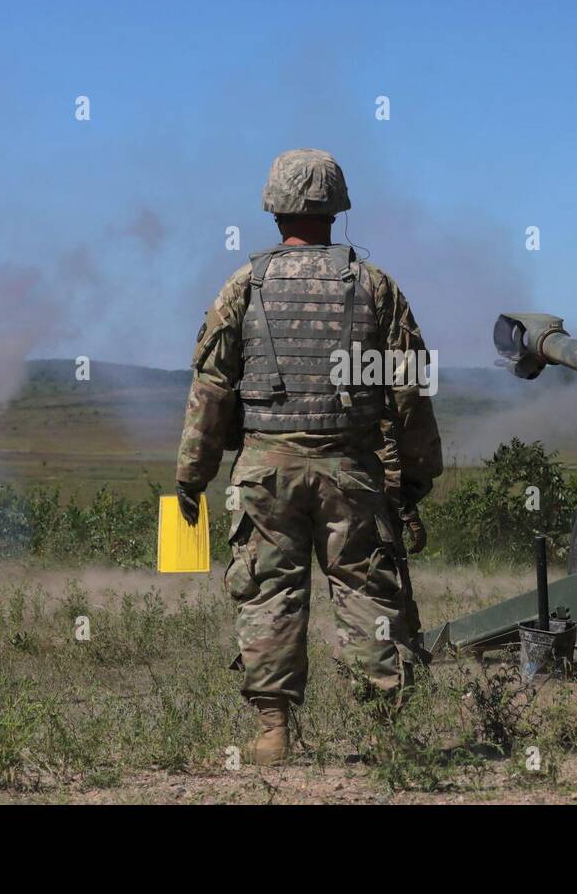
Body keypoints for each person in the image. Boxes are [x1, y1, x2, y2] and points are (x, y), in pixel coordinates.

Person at [175, 149, 442, 763]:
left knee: (269, 594)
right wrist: (414, 477)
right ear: (338, 208)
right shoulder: (374, 286)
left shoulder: (244, 286)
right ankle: (384, 734)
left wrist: (192, 475)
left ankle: (274, 732)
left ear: (273, 208)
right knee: (367, 593)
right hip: (351, 471)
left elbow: (210, 390)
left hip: (265, 472)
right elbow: (409, 390)